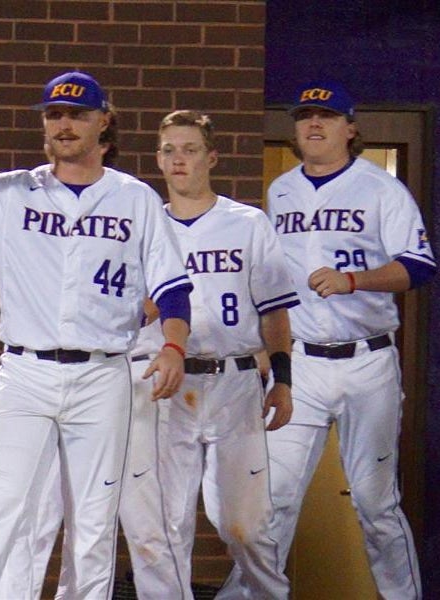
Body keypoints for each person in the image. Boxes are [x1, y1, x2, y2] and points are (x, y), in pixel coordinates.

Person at [0, 71, 191, 598]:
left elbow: (173, 289)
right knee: (7, 513)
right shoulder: (13, 191)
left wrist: (174, 345)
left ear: (103, 122)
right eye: (54, 114)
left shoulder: (135, 198)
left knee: (93, 523)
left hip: (103, 375)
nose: (64, 124)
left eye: (77, 114)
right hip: (24, 373)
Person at [226, 81, 436, 599]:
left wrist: (355, 280)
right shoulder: (281, 191)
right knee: (271, 499)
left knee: (375, 503)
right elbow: (271, 280)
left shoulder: (381, 188)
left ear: (350, 128)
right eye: (305, 116)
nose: (314, 124)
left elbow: (419, 266)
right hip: (301, 362)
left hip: (367, 360)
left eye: (327, 116)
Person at [28, 143, 189, 600]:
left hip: (128, 377)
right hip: (52, 375)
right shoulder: (53, 227)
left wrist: (131, 324)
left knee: (136, 519)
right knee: (42, 514)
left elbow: (167, 297)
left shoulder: (140, 215)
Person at [148, 110, 297, 599]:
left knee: (245, 526)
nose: (178, 159)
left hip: (235, 380)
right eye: (169, 150)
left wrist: (283, 379)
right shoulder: (145, 225)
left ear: (211, 157)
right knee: (165, 527)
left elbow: (274, 312)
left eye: (189, 149)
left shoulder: (247, 223)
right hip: (167, 386)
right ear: (159, 159)